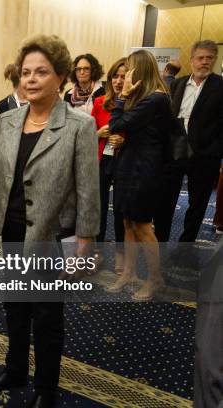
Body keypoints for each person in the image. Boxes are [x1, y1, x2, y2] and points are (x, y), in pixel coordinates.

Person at [0, 35, 99, 408]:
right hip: (10, 233)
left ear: (60, 76)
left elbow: (88, 189)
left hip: (50, 237)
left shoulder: (79, 125)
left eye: (41, 72)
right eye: (26, 72)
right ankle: (14, 369)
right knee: (14, 308)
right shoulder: (8, 119)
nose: (30, 79)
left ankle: (46, 387)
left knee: (47, 318)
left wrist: (85, 243)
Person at [105, 50, 173, 300]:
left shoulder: (156, 99)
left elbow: (117, 125)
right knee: (127, 223)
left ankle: (155, 279)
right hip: (129, 164)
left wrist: (122, 97)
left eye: (130, 69)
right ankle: (129, 273)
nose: (125, 76)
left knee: (143, 226)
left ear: (140, 70)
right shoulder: (146, 98)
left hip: (144, 169)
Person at [154, 40, 223, 245]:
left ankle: (186, 245)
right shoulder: (178, 83)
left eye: (209, 58)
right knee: (165, 200)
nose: (204, 62)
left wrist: (215, 151)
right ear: (192, 60)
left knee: (197, 203)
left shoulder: (220, 87)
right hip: (175, 152)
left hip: (204, 155)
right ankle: (161, 240)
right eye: (200, 58)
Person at [90, 58, 127, 274]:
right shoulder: (100, 102)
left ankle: (121, 256)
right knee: (100, 208)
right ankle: (98, 252)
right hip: (102, 158)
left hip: (124, 160)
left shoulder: (136, 103)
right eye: (116, 76)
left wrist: (124, 140)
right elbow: (88, 133)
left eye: (124, 76)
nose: (119, 81)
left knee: (121, 210)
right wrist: (98, 134)